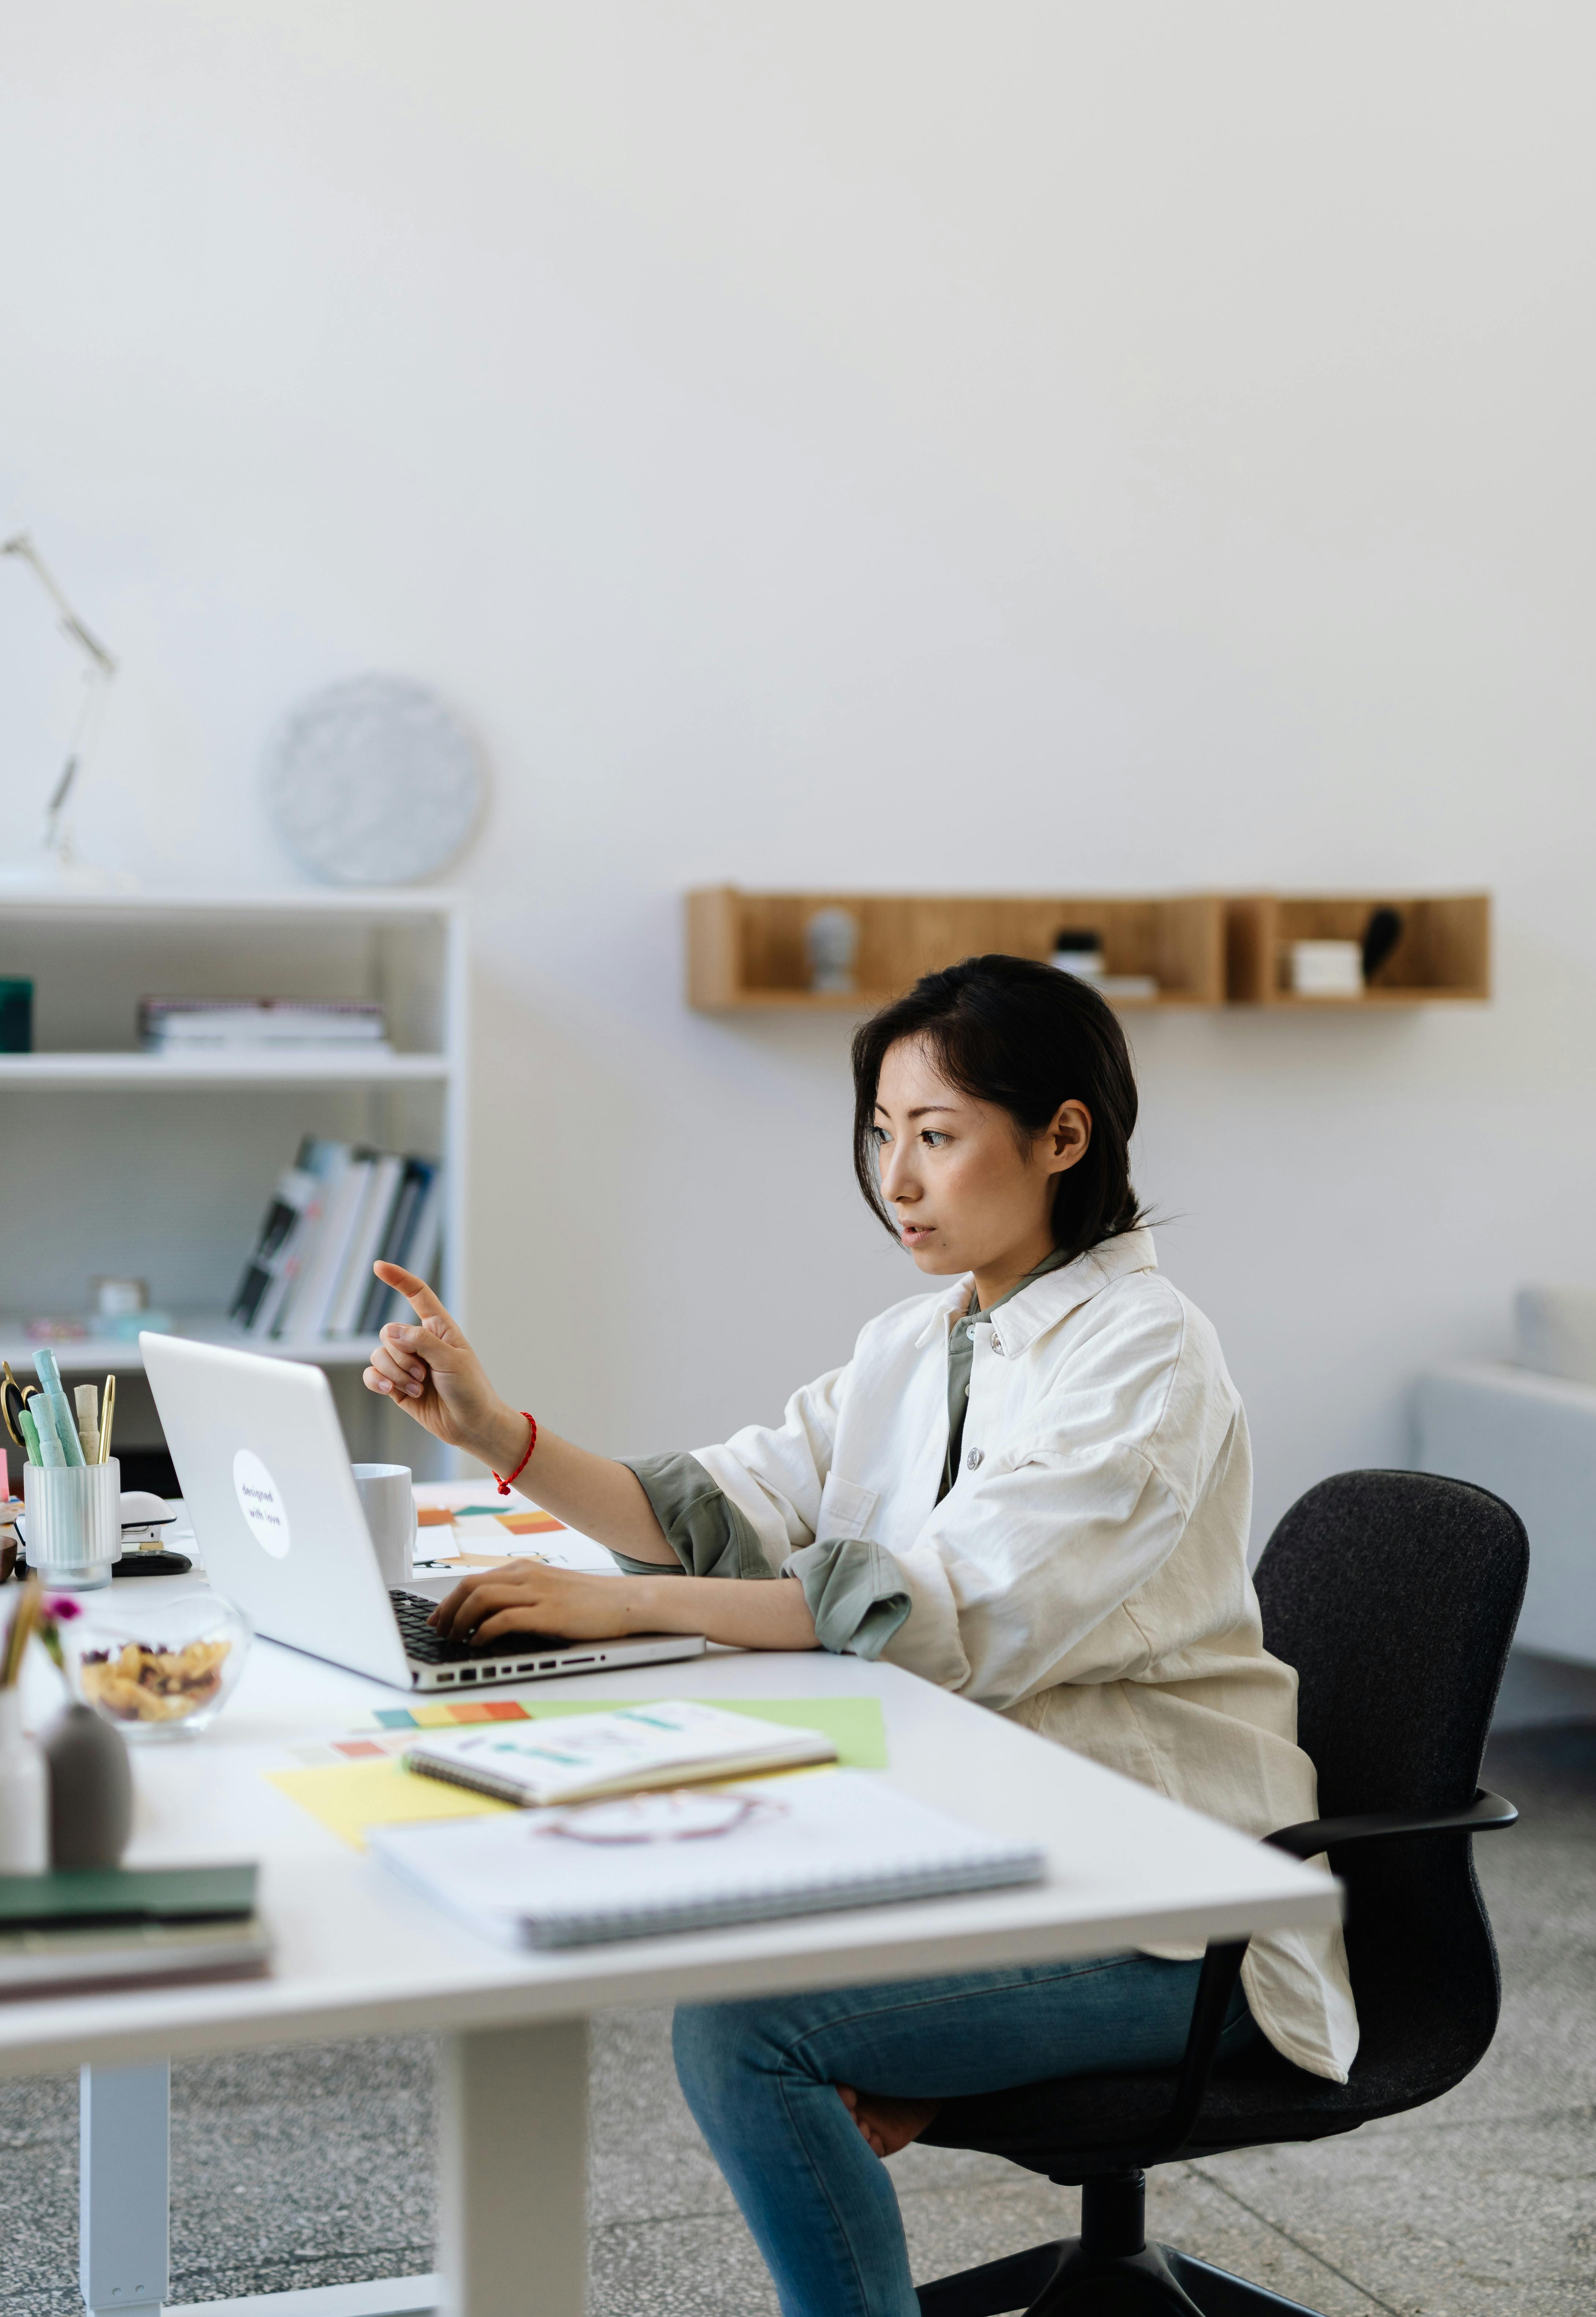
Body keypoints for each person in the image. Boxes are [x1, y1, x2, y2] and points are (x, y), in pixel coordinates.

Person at [363, 953, 1356, 2317]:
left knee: (746, 2027)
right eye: (883, 1134)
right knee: (728, 1937)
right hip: (1004, 1843)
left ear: (1065, 1135)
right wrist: (498, 1435)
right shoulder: (921, 1337)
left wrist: (636, 1601)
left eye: (937, 1137)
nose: (896, 1178)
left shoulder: (1147, 1354)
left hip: (1179, 1908)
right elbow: (727, 1508)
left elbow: (945, 1613)